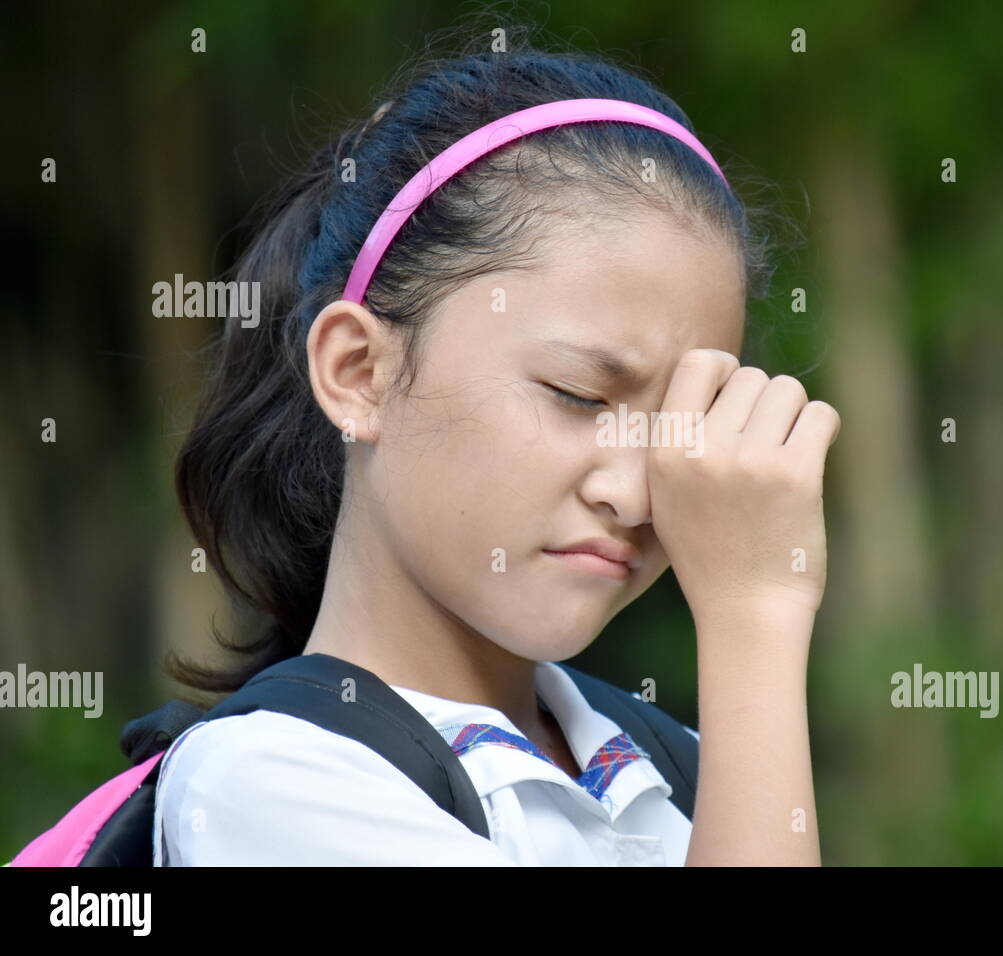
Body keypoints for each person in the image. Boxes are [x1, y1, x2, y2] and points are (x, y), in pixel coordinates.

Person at [155, 27, 840, 866]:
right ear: (359, 371)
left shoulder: (683, 771)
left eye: (678, 428)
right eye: (580, 396)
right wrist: (753, 616)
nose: (633, 493)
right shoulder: (268, 784)